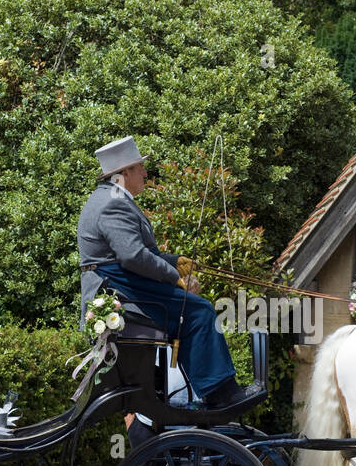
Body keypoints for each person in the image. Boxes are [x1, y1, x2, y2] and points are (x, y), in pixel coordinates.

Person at [77, 136, 255, 410]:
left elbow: (138, 252)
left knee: (194, 309)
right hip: (118, 288)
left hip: (122, 283)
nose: (145, 173)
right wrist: (175, 277)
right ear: (124, 173)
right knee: (198, 312)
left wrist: (176, 261)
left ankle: (209, 391)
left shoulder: (110, 198)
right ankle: (220, 394)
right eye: (139, 167)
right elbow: (133, 256)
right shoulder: (113, 203)